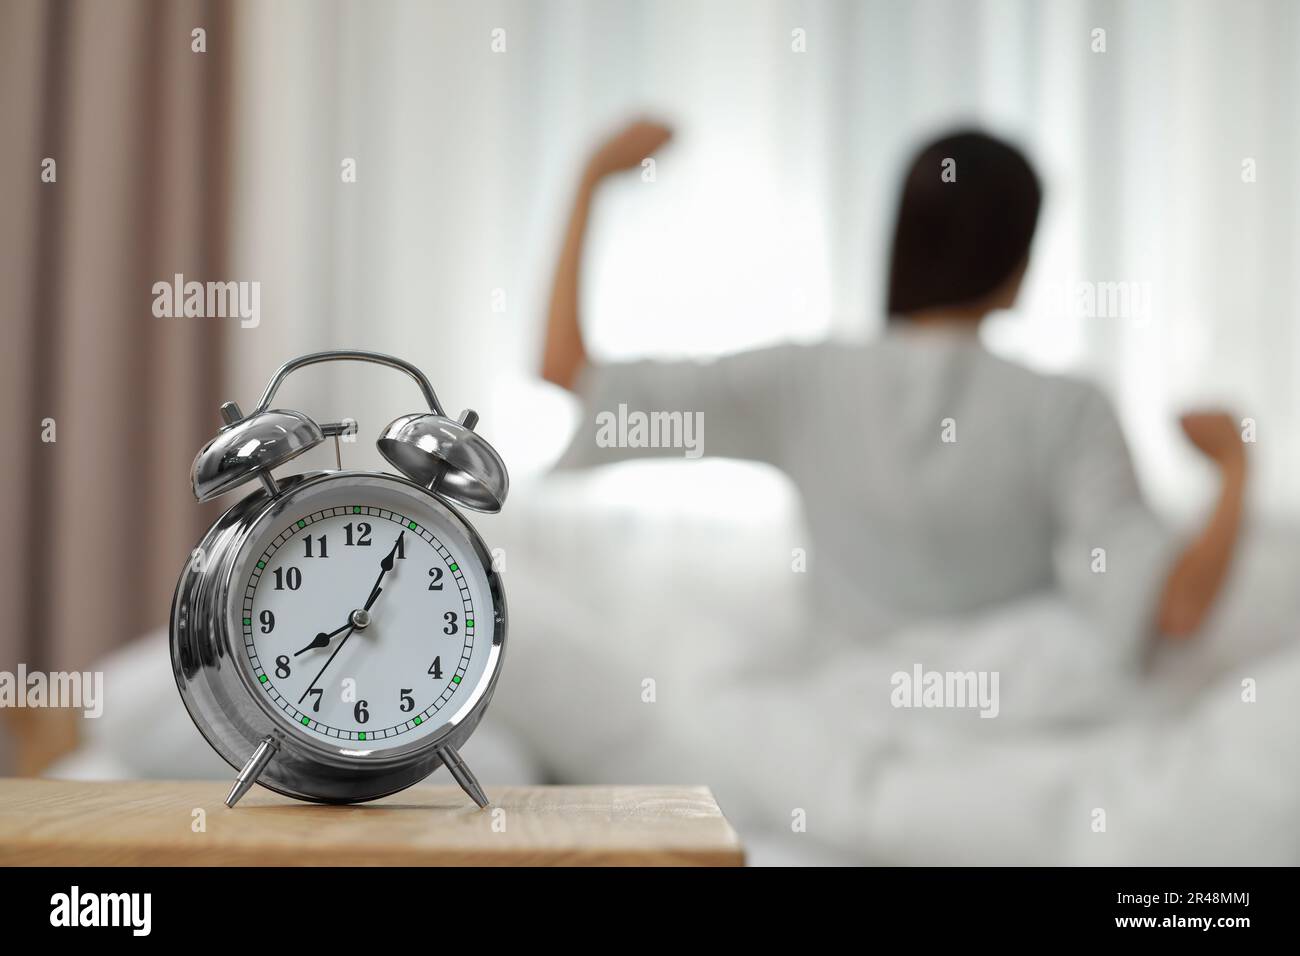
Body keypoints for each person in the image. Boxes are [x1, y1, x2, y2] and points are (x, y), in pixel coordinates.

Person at [541, 120, 1246, 660]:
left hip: (838, 733)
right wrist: (1237, 466)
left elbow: (569, 373)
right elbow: (1174, 609)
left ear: (901, 239)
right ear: (1019, 262)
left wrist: (589, 178)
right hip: (1016, 731)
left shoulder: (802, 381)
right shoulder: (1067, 410)